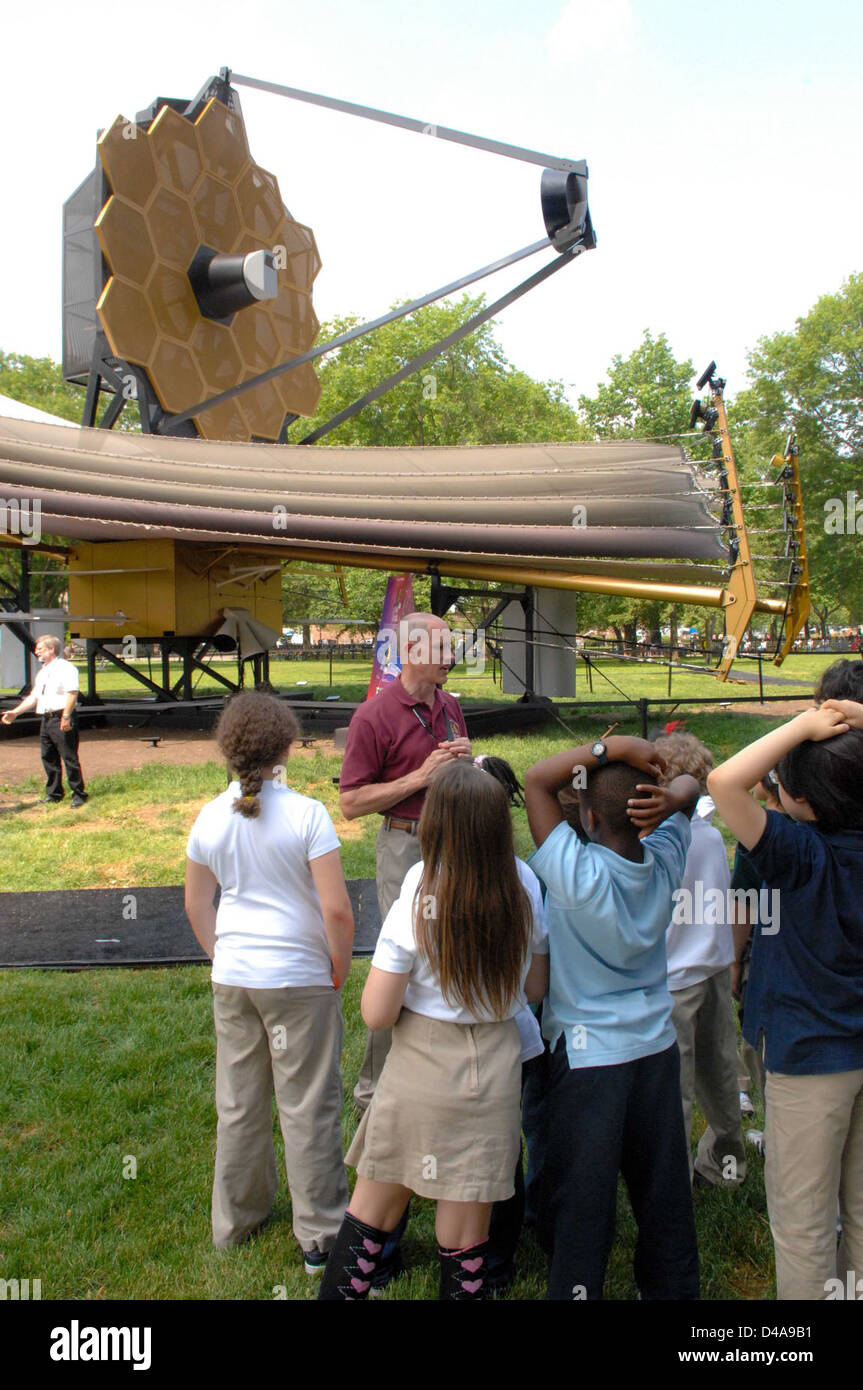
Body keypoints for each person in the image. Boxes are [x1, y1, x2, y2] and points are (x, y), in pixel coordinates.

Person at [319, 759, 548, 1301]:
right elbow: (535, 988)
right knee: (467, 1243)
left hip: (419, 1067)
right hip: (492, 1070)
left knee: (370, 1217)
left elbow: (376, 1012)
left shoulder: (421, 884)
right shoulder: (527, 884)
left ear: (436, 823)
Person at [525, 733, 701, 1300]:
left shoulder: (574, 875)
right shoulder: (666, 858)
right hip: (655, 1050)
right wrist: (671, 799)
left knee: (583, 1198)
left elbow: (535, 780)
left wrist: (609, 748)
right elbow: (693, 788)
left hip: (587, 1061)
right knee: (663, 1191)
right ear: (647, 817)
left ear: (590, 817)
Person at [185, 691, 354, 1271]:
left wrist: (221, 956)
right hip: (300, 979)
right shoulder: (308, 815)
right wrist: (339, 967)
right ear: (286, 746)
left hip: (234, 978)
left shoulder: (209, 816)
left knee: (238, 1102)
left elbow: (196, 902)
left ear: (227, 749)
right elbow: (336, 910)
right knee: (308, 1104)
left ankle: (234, 1225)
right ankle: (321, 1238)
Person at [707, 700, 863, 1301]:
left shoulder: (798, 854)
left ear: (811, 801)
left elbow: (724, 781)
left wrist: (800, 725)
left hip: (808, 1061)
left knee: (803, 1225)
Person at [339, 611, 472, 1110]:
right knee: (404, 959)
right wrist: (419, 778)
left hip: (453, 838)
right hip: (404, 844)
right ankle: (372, 1092)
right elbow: (351, 804)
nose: (453, 658)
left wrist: (465, 759)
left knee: (451, 953)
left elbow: (450, 769)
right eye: (443, 650)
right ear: (412, 652)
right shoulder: (373, 716)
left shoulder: (451, 706)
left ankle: (436, 1072)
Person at [655, 732, 746, 1188]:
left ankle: (670, 1183)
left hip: (671, 979)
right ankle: (726, 1162)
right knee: (720, 1073)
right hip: (712, 967)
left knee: (676, 1087)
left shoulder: (656, 842)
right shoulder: (710, 834)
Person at [1, 633, 88, 807]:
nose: (37, 652)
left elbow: (72, 692)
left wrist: (66, 716)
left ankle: (79, 793)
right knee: (48, 757)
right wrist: (15, 713)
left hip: (61, 716)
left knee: (68, 756)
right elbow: (34, 697)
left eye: (40, 649)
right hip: (46, 720)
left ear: (51, 649)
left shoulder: (66, 668)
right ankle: (54, 793)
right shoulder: (43, 672)